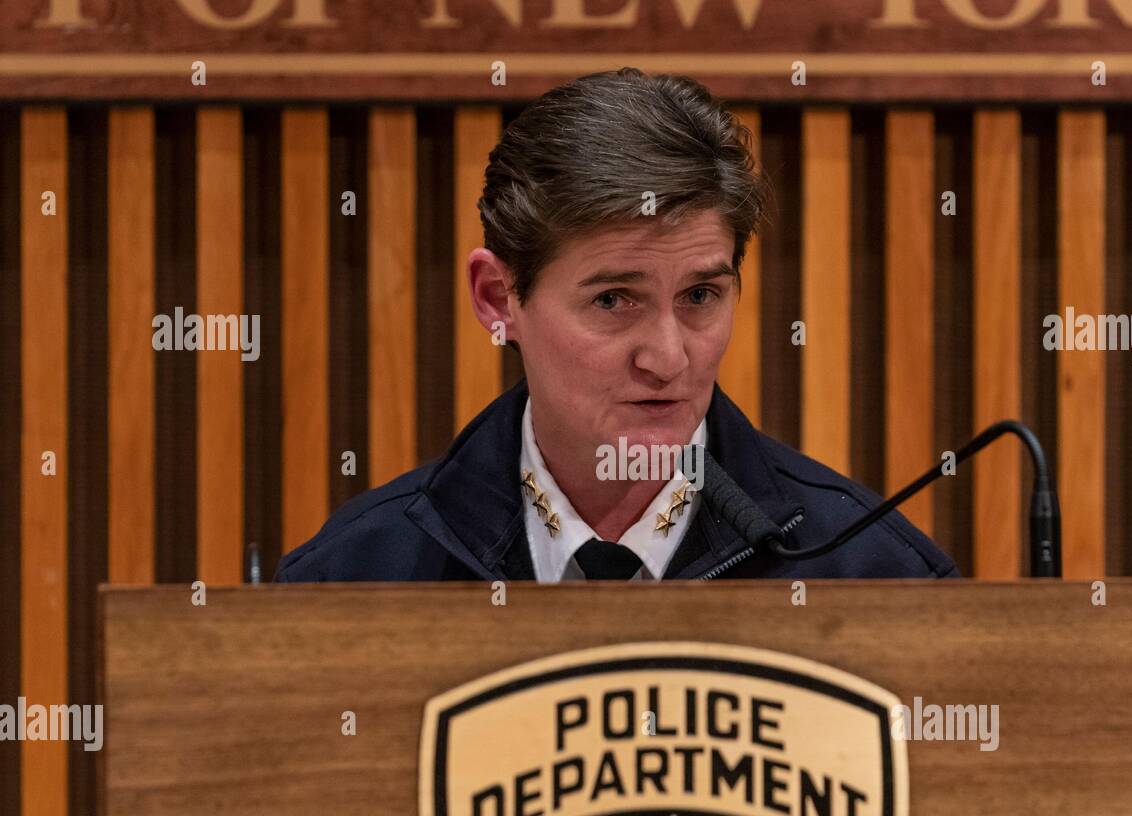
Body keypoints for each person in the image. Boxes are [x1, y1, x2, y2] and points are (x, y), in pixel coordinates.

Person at [275, 68, 955, 583]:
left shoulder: (871, 571)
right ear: (497, 298)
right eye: (613, 301)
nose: (667, 358)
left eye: (700, 296)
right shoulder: (354, 577)